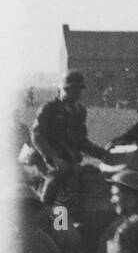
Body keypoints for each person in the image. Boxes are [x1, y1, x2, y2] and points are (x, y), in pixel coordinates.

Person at [31, 71, 115, 206]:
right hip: (46, 159)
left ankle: (73, 219)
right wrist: (54, 158)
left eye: (79, 89)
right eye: (71, 89)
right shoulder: (49, 109)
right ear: (62, 89)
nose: (76, 93)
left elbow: (81, 141)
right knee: (56, 177)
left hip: (69, 160)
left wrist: (103, 154)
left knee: (90, 176)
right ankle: (42, 210)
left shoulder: (80, 111)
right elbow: (37, 136)